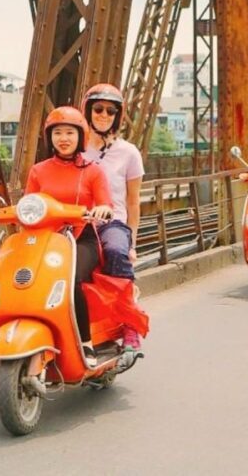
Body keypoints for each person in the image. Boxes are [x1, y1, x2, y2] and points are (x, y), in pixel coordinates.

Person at [25, 106, 113, 366]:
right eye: (57, 133)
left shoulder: (93, 171)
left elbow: (106, 203)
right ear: (49, 137)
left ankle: (85, 343)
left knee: (69, 279)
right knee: (27, 278)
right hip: (47, 240)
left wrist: (102, 209)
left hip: (80, 237)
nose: (63, 138)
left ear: (80, 136)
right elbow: (29, 203)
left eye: (69, 133)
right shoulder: (38, 170)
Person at [81, 83, 146, 352]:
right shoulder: (74, 148)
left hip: (112, 223)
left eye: (111, 111)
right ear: (88, 111)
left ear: (118, 116)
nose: (104, 115)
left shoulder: (129, 153)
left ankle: (130, 325)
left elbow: (133, 201)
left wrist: (132, 243)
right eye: (98, 109)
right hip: (78, 223)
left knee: (116, 253)